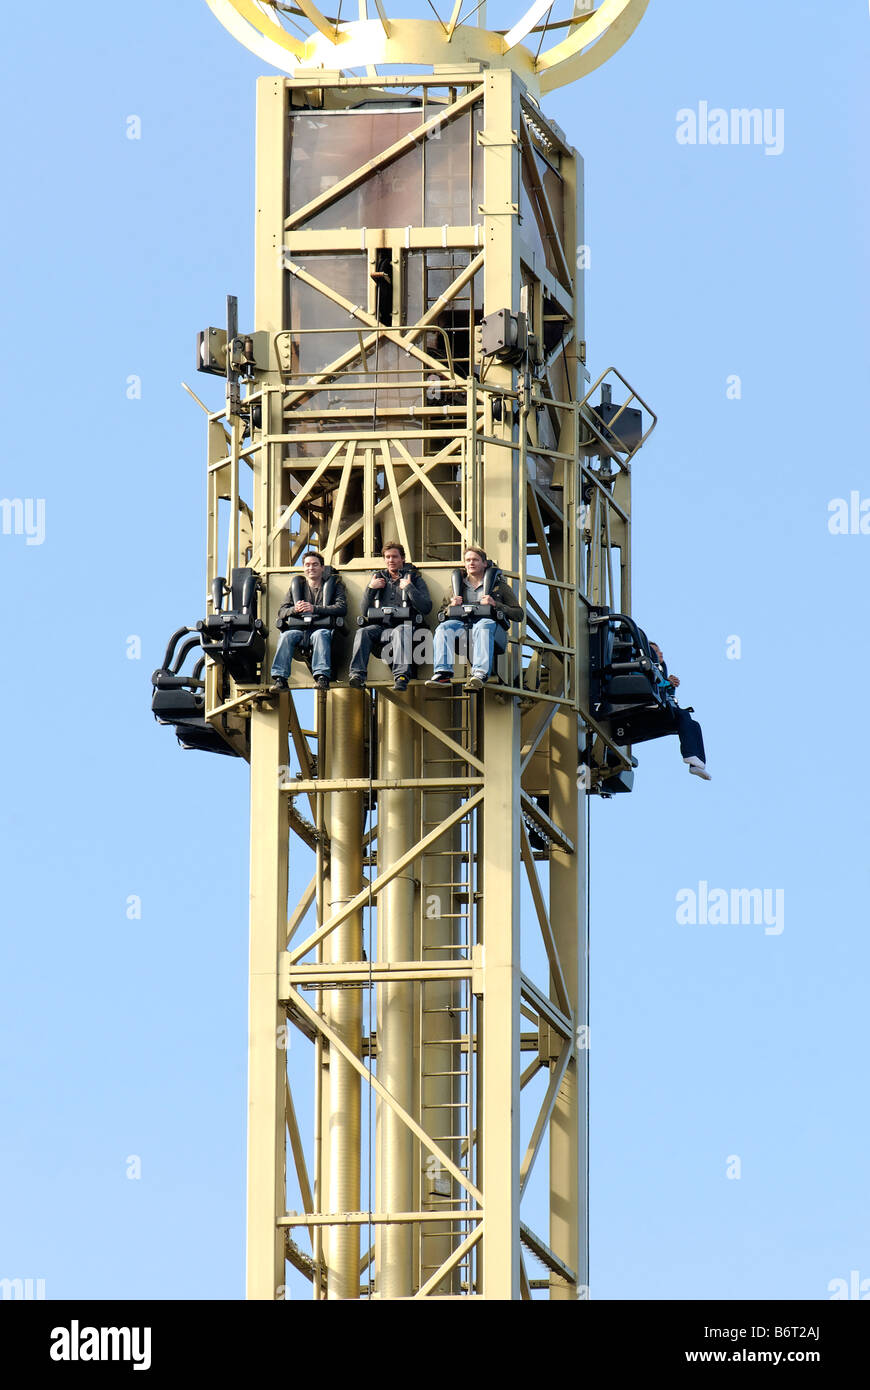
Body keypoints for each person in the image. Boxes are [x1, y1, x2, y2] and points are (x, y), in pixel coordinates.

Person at [425, 545, 523, 691]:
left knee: (483, 624)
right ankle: (443, 672)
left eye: (475, 560)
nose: (471, 563)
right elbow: (441, 615)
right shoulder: (455, 588)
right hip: (462, 627)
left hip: (489, 626)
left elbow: (518, 614)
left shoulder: (499, 587)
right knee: (444, 627)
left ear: (484, 563)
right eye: (468, 560)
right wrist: (451, 607)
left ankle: (480, 672)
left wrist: (496, 604)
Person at [348, 541, 432, 692]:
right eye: (387, 557)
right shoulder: (377, 579)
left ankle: (401, 676)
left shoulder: (415, 579)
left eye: (394, 557)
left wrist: (409, 588)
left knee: (400, 631)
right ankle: (357, 675)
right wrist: (370, 589)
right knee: (363, 632)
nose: (391, 560)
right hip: (381, 626)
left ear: (402, 559)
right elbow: (364, 610)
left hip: (406, 625)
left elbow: (426, 607)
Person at [269, 551, 347, 693]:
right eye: (307, 565)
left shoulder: (335, 586)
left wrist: (315, 608)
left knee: (320, 635)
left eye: (315, 565)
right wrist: (295, 609)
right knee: (286, 636)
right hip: (300, 629)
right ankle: (280, 678)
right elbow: (282, 612)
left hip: (321, 628)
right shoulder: (297, 588)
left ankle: (322, 677)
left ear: (322, 568)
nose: (311, 568)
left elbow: (341, 608)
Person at [649, 641, 712, 781]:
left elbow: (664, 691)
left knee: (694, 724)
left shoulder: (658, 671)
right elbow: (649, 683)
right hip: (649, 709)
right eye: (655, 651)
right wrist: (667, 682)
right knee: (684, 714)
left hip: (663, 707)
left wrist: (671, 685)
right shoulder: (644, 667)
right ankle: (689, 754)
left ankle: (697, 765)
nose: (660, 653)